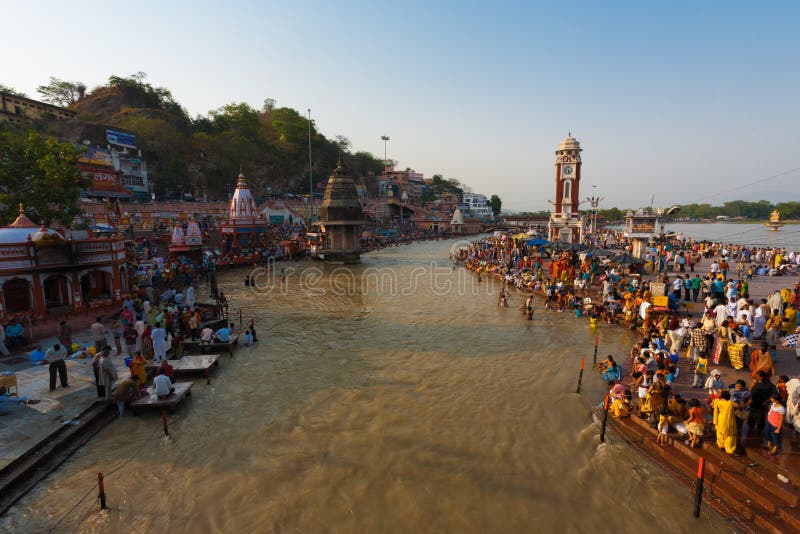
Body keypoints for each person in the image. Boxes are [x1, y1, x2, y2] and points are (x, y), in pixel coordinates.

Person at [713, 389, 737, 454]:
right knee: (729, 433)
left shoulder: (717, 401)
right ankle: (729, 448)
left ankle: (721, 444)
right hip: (729, 420)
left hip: (720, 418)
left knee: (720, 431)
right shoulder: (730, 403)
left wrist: (715, 421)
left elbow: (715, 411)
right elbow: (738, 405)